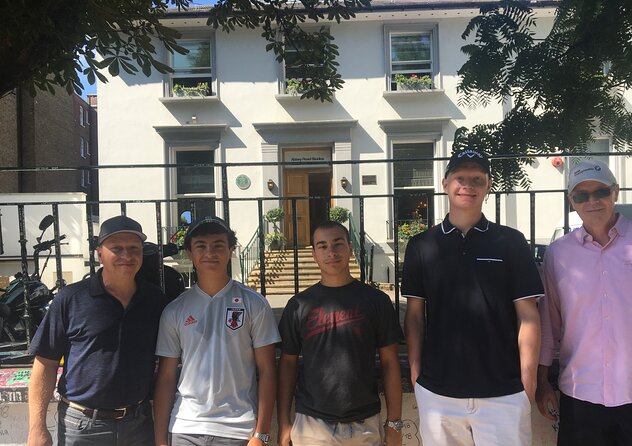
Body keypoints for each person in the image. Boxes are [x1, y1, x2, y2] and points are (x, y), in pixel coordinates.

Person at [402, 148, 543, 446]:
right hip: (438, 393)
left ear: (488, 185)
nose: (468, 185)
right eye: (460, 177)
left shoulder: (511, 241)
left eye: (478, 179)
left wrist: (527, 382)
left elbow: (528, 315)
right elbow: (414, 316)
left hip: (504, 392)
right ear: (445, 183)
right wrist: (416, 375)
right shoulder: (421, 245)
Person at [536, 159, 632, 445]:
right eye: (582, 195)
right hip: (581, 395)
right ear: (571, 201)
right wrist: (542, 381)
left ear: (615, 192)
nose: (592, 201)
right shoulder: (558, 255)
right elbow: (549, 326)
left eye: (601, 192)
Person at [28, 215, 166, 446]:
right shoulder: (70, 299)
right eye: (116, 248)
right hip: (81, 426)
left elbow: (165, 364)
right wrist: (37, 429)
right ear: (100, 254)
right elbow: (45, 364)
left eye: (134, 248)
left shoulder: (155, 300)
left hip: (139, 424)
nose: (126, 255)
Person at [153, 216, 280, 446]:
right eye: (201, 246)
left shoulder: (254, 303)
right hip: (185, 428)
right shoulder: (175, 310)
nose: (209, 252)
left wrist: (261, 434)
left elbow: (268, 369)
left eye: (218, 245)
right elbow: (167, 377)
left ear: (231, 250)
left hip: (238, 429)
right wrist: (161, 441)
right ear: (190, 253)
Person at [277, 221, 403, 446]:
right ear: (314, 254)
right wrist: (284, 422)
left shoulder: (377, 301)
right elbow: (287, 364)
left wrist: (394, 422)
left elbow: (390, 362)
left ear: (350, 248)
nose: (331, 252)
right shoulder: (298, 305)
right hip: (312, 424)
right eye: (322, 246)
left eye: (337, 244)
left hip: (365, 423)